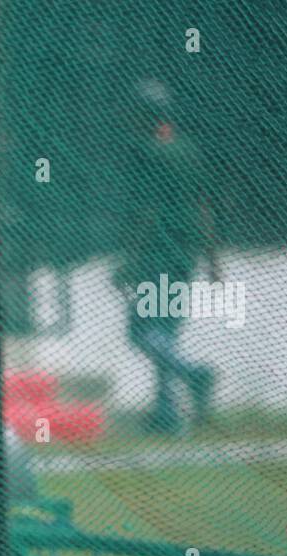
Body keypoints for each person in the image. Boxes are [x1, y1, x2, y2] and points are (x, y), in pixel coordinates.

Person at [117, 81, 217, 435]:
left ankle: (193, 374)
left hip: (155, 254)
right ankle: (166, 415)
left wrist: (130, 260)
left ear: (144, 114)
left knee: (141, 332)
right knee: (166, 332)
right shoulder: (189, 150)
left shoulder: (144, 151)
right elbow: (204, 204)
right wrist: (212, 259)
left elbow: (146, 210)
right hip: (185, 255)